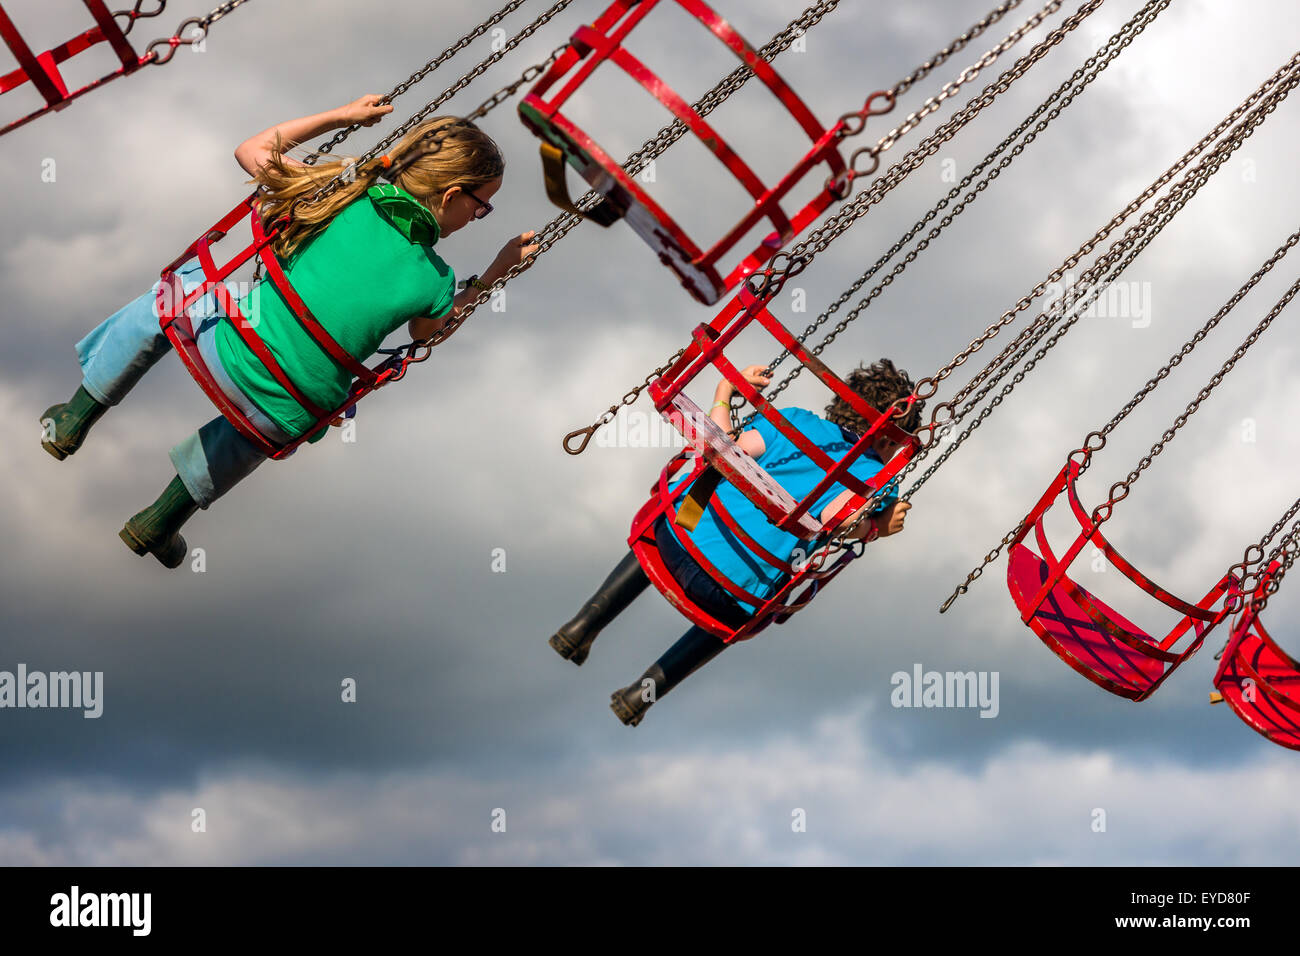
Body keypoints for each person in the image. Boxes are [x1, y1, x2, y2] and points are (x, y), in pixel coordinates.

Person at [39, 95, 537, 568]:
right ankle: (159, 522)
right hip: (284, 413)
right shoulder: (437, 279)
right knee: (274, 413)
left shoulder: (343, 192)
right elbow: (431, 333)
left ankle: (76, 416)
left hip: (227, 350)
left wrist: (343, 116)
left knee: (169, 298)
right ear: (452, 195)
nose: (478, 216)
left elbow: (251, 150)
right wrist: (494, 275)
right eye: (481, 206)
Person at [550, 357, 923, 726]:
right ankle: (641, 694)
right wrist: (877, 527)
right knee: (749, 610)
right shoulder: (877, 478)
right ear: (891, 438)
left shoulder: (793, 420)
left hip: (673, 538)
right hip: (729, 596)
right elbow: (836, 521)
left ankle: (582, 625)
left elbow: (723, 450)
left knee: (686, 504)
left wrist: (725, 391)